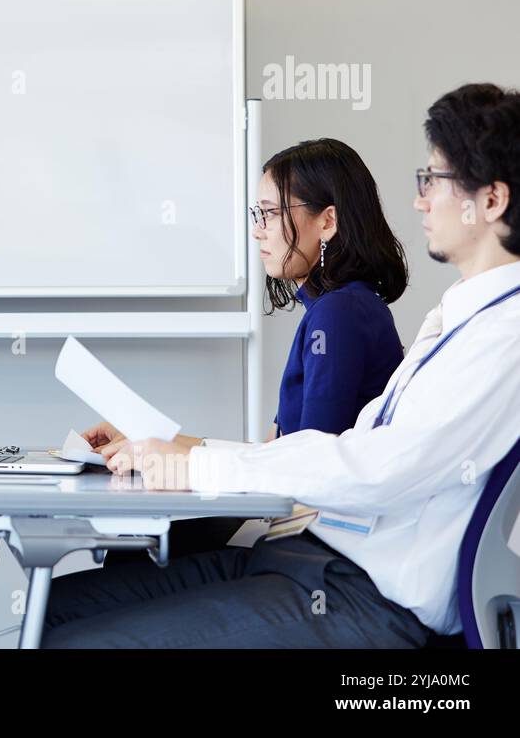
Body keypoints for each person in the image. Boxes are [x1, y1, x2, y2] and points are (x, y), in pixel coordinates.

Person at [43, 83, 520, 648]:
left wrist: (194, 466)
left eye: (433, 180)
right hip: (321, 559)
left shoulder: (501, 337)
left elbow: (374, 467)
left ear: (490, 200)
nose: (419, 199)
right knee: (49, 616)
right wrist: (178, 454)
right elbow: (319, 450)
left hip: (367, 597)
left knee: (76, 642)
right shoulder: (461, 318)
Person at [101, 138, 408, 562]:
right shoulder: (337, 308)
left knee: (130, 558)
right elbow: (270, 455)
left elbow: (304, 468)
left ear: (328, 221)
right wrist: (151, 442)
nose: (257, 229)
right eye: (256, 214)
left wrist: (168, 455)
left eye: (270, 213)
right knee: (134, 553)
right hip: (305, 532)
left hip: (310, 549)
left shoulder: (339, 314)